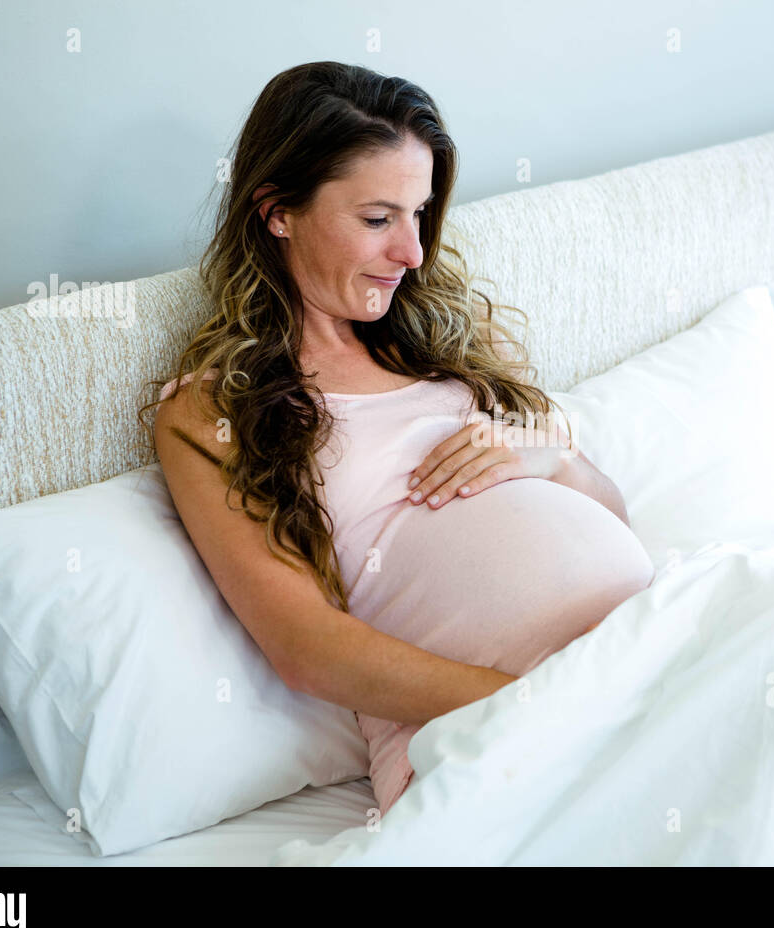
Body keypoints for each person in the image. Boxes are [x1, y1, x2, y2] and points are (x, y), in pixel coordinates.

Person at [142, 62, 653, 817]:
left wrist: (554, 457)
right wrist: (550, 702)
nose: (413, 253)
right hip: (500, 731)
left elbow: (616, 518)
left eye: (419, 215)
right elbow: (305, 648)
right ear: (277, 211)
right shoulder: (214, 411)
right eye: (378, 220)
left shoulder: (454, 338)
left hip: (644, 653)